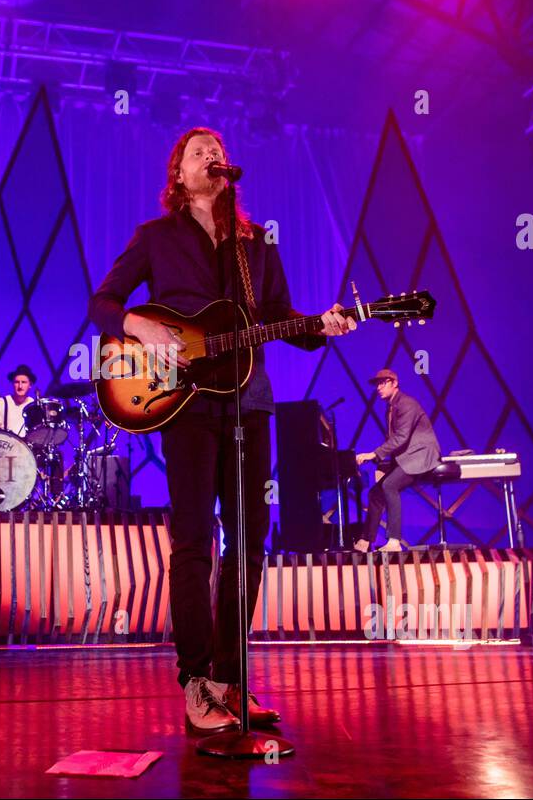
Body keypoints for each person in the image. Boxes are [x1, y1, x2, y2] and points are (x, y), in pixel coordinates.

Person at [88, 126, 355, 733]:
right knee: (192, 542)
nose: (211, 156)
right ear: (178, 175)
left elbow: (285, 319)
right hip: (182, 405)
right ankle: (196, 681)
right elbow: (102, 302)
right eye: (196, 151)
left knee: (250, 541)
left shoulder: (255, 244)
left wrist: (328, 325)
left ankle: (232, 682)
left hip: (250, 402)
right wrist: (139, 325)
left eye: (218, 150)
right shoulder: (155, 238)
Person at [354, 369, 441, 552]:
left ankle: (394, 541)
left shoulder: (406, 404)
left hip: (420, 455)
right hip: (407, 457)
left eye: (382, 383)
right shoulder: (391, 407)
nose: (378, 388)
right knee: (375, 493)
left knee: (389, 485)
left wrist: (374, 454)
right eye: (377, 384)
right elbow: (395, 441)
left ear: (394, 383)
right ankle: (365, 540)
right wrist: (382, 464)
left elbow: (401, 437)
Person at [0, 364, 35, 436]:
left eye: (23, 382)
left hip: (27, 446)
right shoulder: (1, 403)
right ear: (12, 384)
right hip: (6, 445)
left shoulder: (34, 405)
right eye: (17, 382)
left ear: (30, 385)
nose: (20, 386)